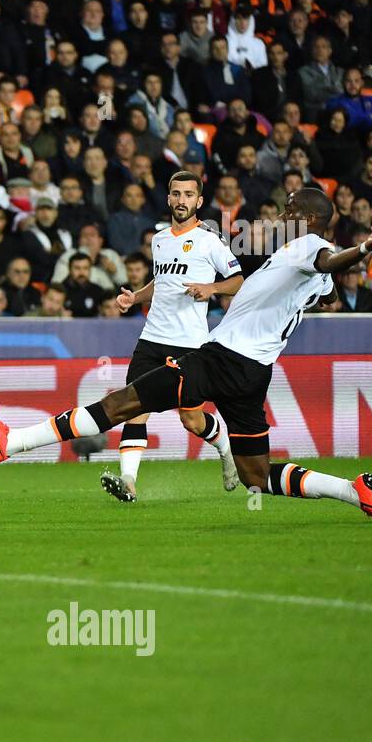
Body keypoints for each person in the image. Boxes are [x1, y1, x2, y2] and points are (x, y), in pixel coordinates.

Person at [0, 188, 372, 524]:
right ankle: (354, 492)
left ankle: (11, 442)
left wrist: (366, 246)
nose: (279, 217)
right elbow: (328, 293)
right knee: (255, 478)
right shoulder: (304, 267)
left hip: (220, 359)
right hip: (255, 373)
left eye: (290, 210)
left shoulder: (308, 245)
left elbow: (332, 261)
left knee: (123, 403)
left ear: (309, 220)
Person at [105, 172, 245, 502]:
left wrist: (212, 288)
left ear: (198, 201)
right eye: (176, 194)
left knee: (191, 419)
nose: (181, 200)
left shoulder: (210, 240)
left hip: (190, 345)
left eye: (188, 195)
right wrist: (134, 298)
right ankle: (128, 481)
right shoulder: (159, 239)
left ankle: (226, 450)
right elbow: (161, 282)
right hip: (152, 339)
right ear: (168, 199)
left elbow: (238, 280)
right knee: (132, 407)